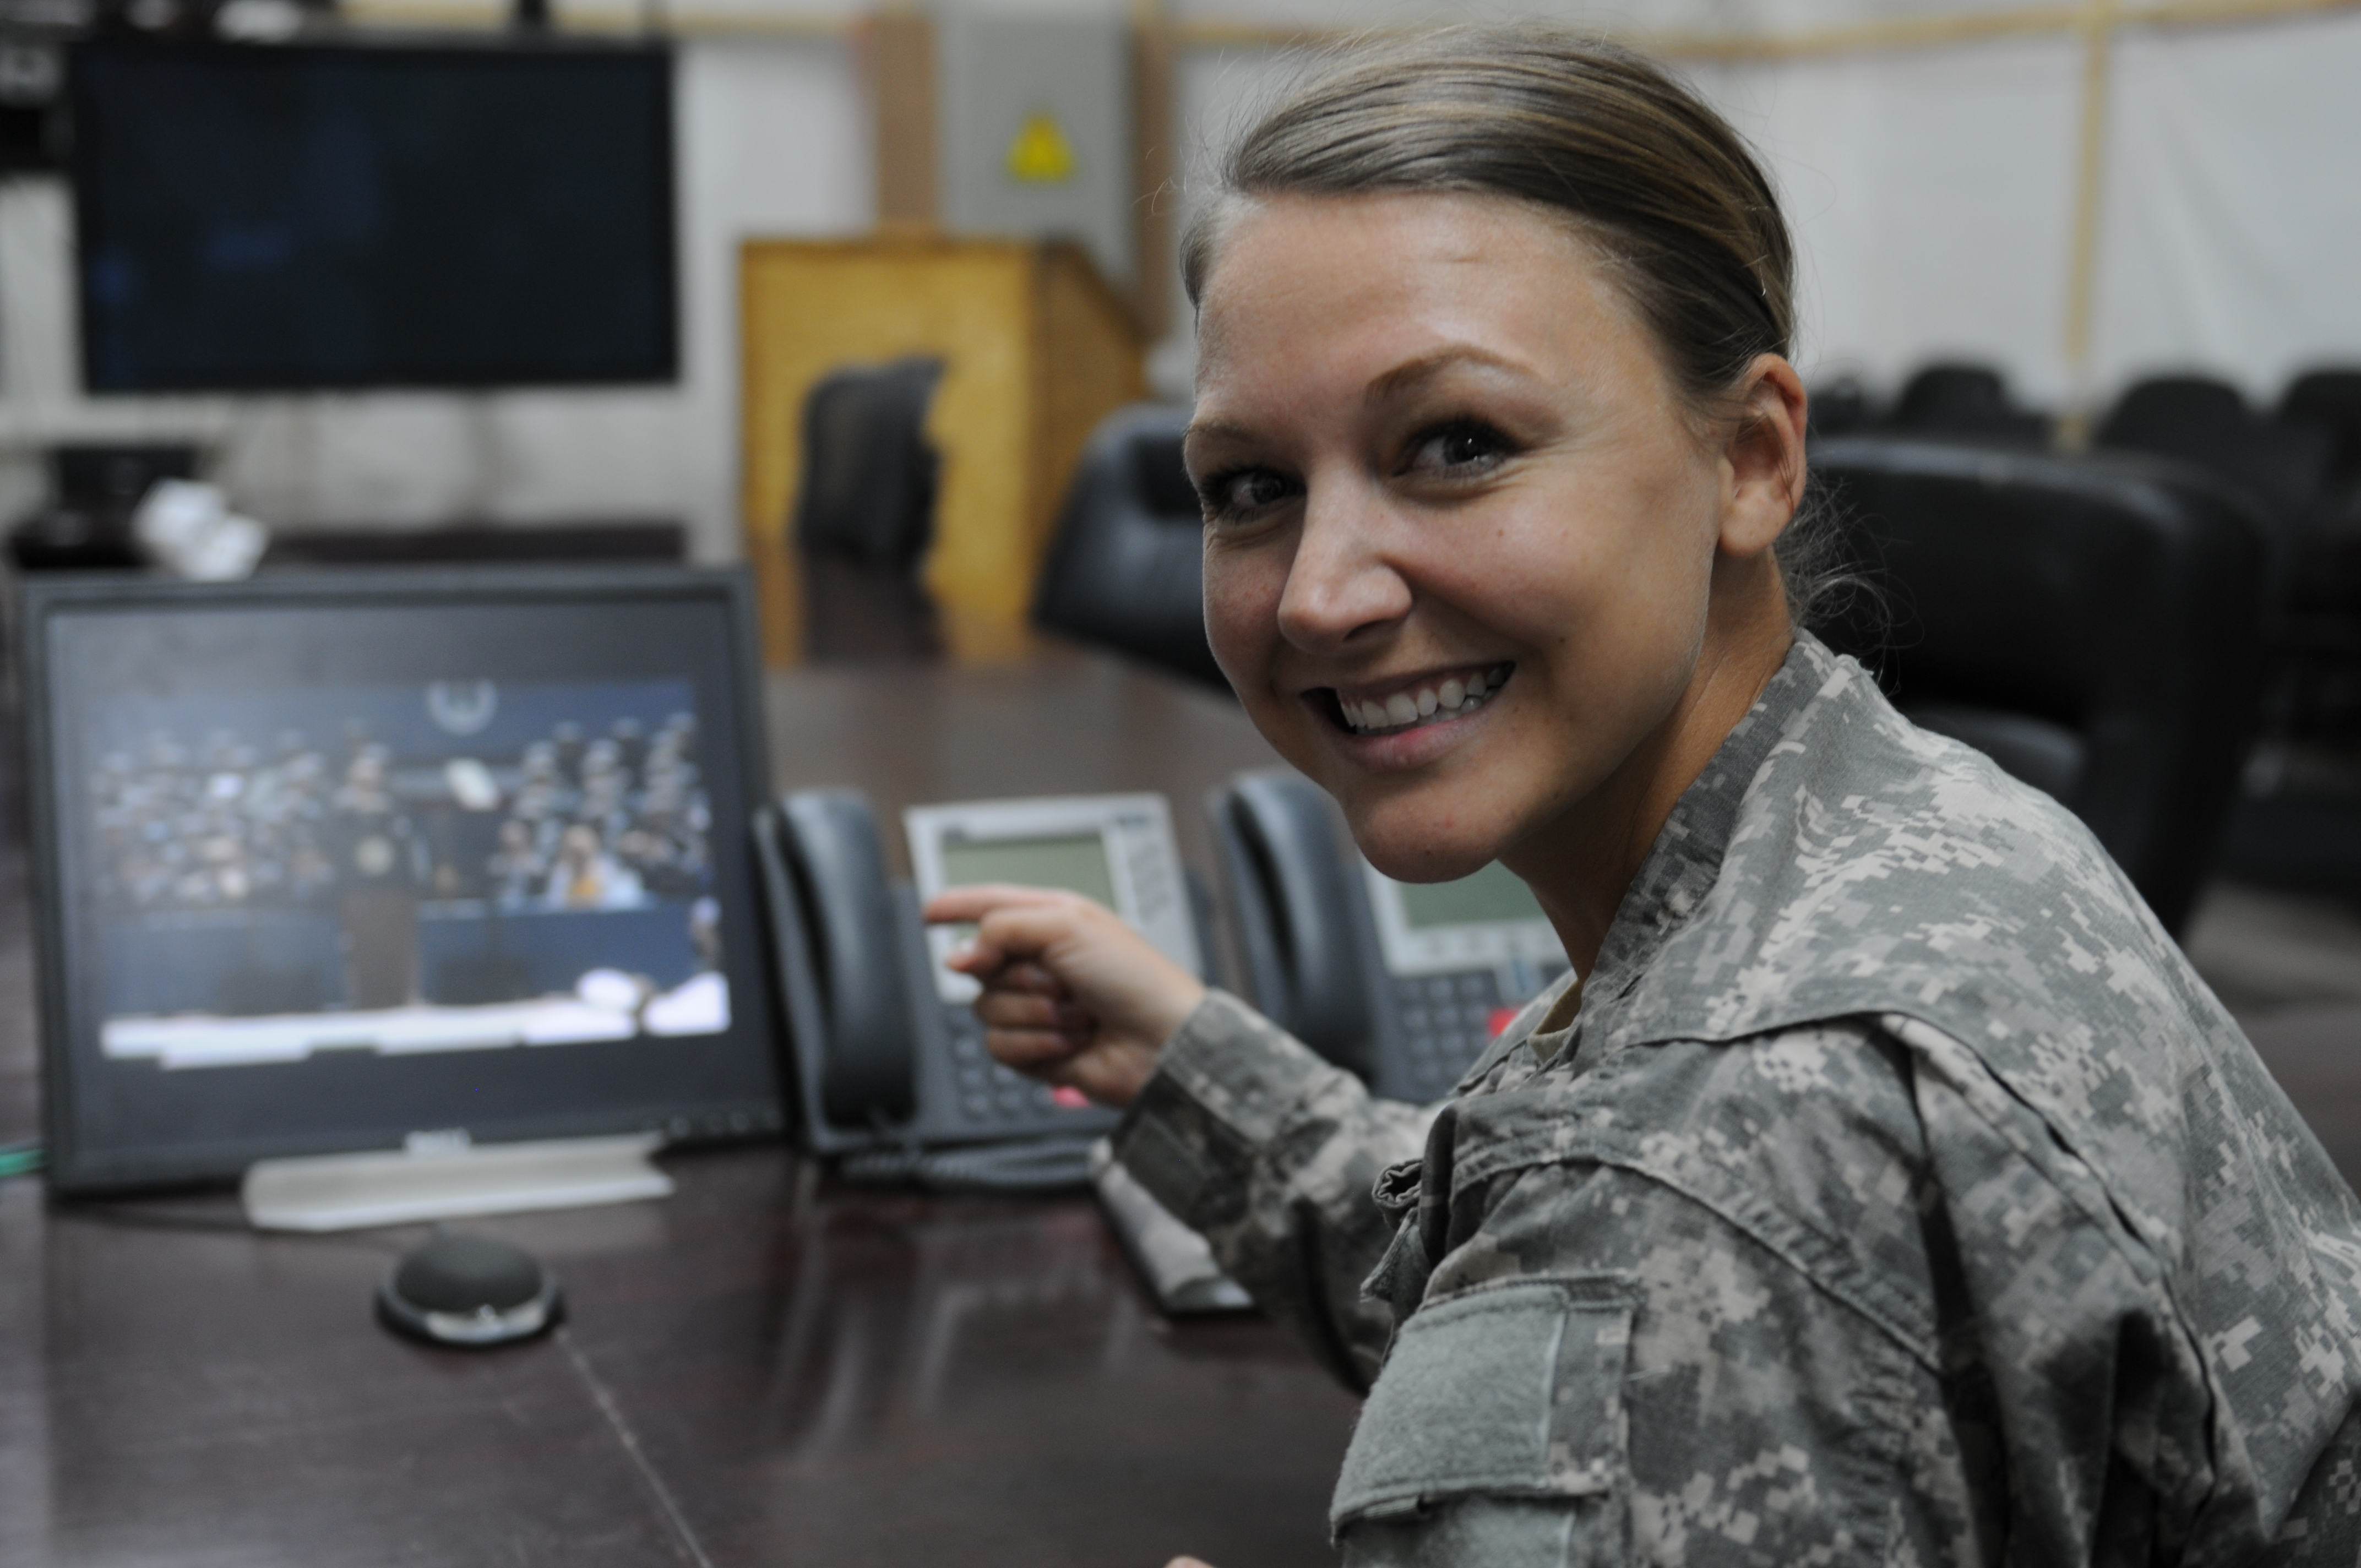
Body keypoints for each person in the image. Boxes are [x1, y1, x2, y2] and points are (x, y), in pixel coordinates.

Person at [923, 25, 2361, 1568]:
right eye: (1250, 487)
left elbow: (1669, 1232)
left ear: (1749, 459)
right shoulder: (1907, 827)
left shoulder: (1728, 1137)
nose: (1321, 595)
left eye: (1458, 445)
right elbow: (1588, 1290)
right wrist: (1190, 1073)